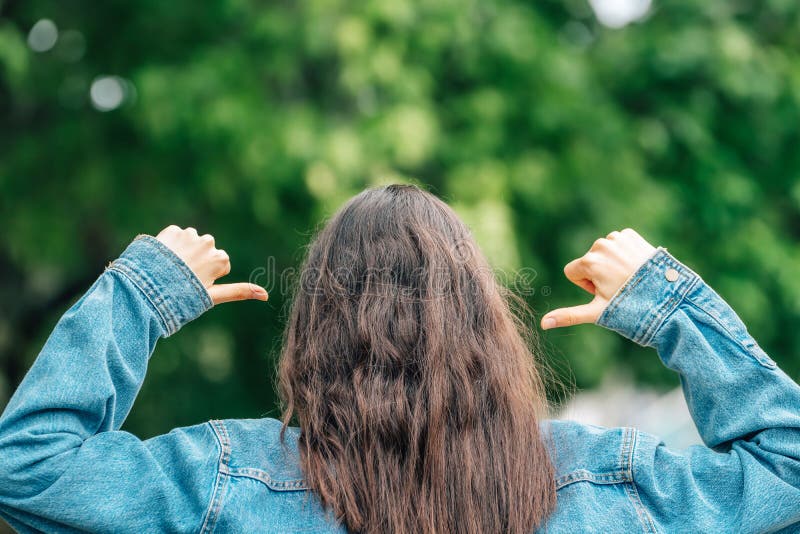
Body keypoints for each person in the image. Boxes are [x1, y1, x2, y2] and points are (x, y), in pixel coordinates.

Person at [0, 184, 797, 533]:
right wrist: (667, 304)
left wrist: (143, 292)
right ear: (485, 327)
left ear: (315, 331)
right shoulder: (609, 487)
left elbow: (26, 466)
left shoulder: (223, 480)